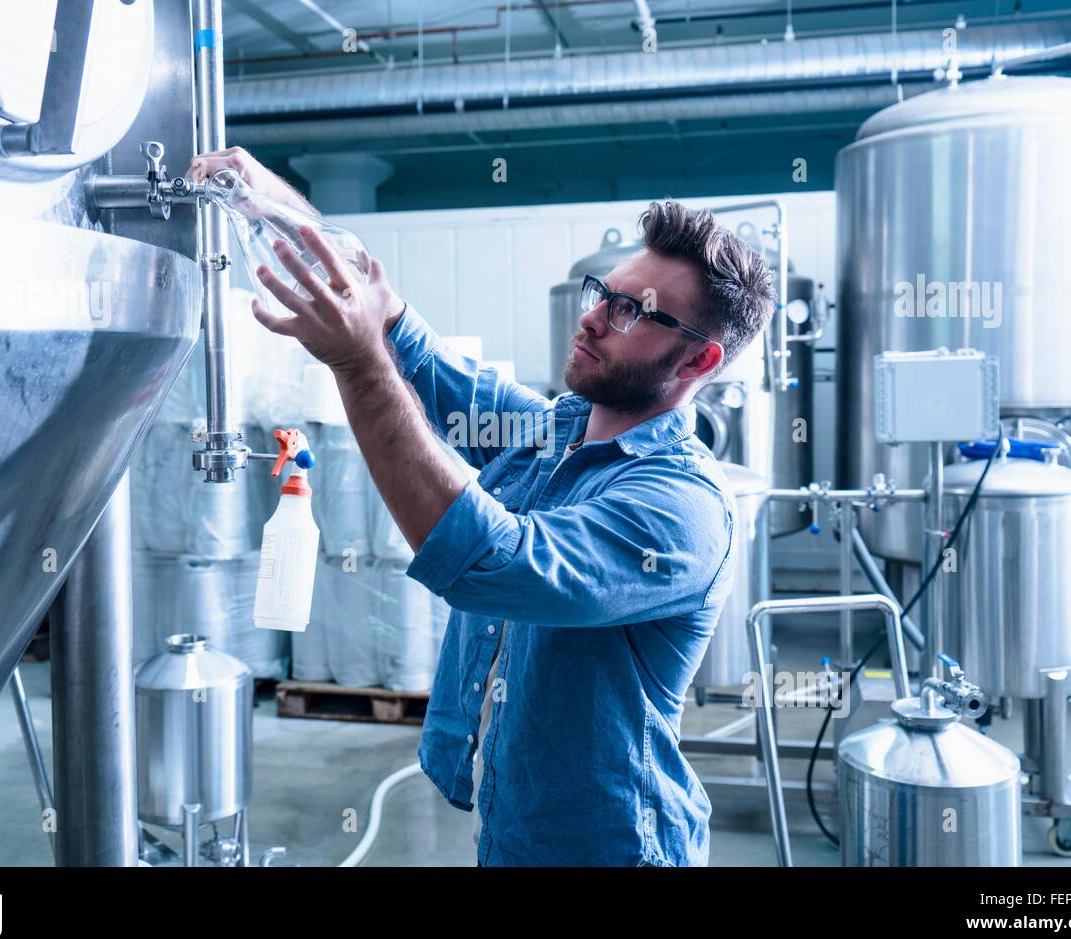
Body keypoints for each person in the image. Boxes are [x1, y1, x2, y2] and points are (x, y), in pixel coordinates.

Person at [187, 148, 778, 866]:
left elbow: (490, 562)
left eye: (633, 311)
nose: (593, 318)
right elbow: (412, 345)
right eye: (603, 292)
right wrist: (266, 203)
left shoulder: (681, 508)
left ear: (697, 362)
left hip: (610, 849)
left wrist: (356, 363)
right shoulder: (556, 429)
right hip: (516, 830)